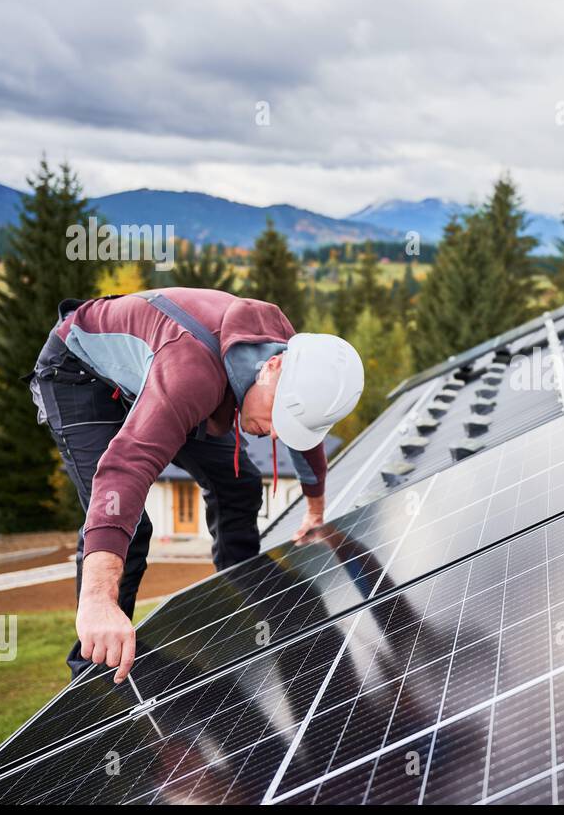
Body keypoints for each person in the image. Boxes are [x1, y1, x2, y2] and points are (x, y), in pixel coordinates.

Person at [27, 287, 364, 683]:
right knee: (131, 528)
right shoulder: (192, 372)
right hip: (79, 376)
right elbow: (126, 466)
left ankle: (247, 586)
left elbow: (302, 433)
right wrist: (99, 597)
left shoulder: (290, 359)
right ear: (272, 367)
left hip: (162, 373)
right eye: (278, 418)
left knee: (237, 482)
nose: (275, 435)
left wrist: (315, 509)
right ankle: (96, 665)